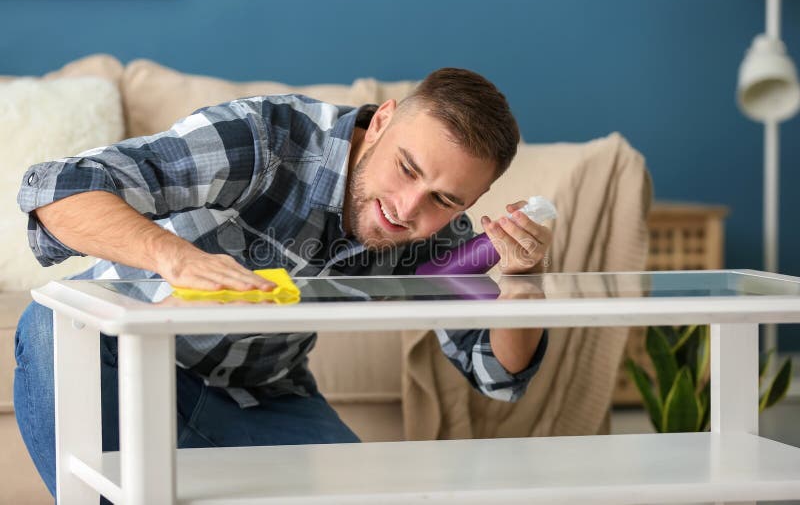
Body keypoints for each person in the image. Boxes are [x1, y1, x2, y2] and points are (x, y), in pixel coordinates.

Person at [14, 67, 551, 497]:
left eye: (445, 199)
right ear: (383, 121)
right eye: (407, 169)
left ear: (469, 203)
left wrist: (523, 283)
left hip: (260, 395)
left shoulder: (439, 234)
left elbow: (496, 374)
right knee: (51, 328)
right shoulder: (265, 138)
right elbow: (58, 189)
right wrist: (175, 258)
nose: (407, 209)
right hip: (121, 360)